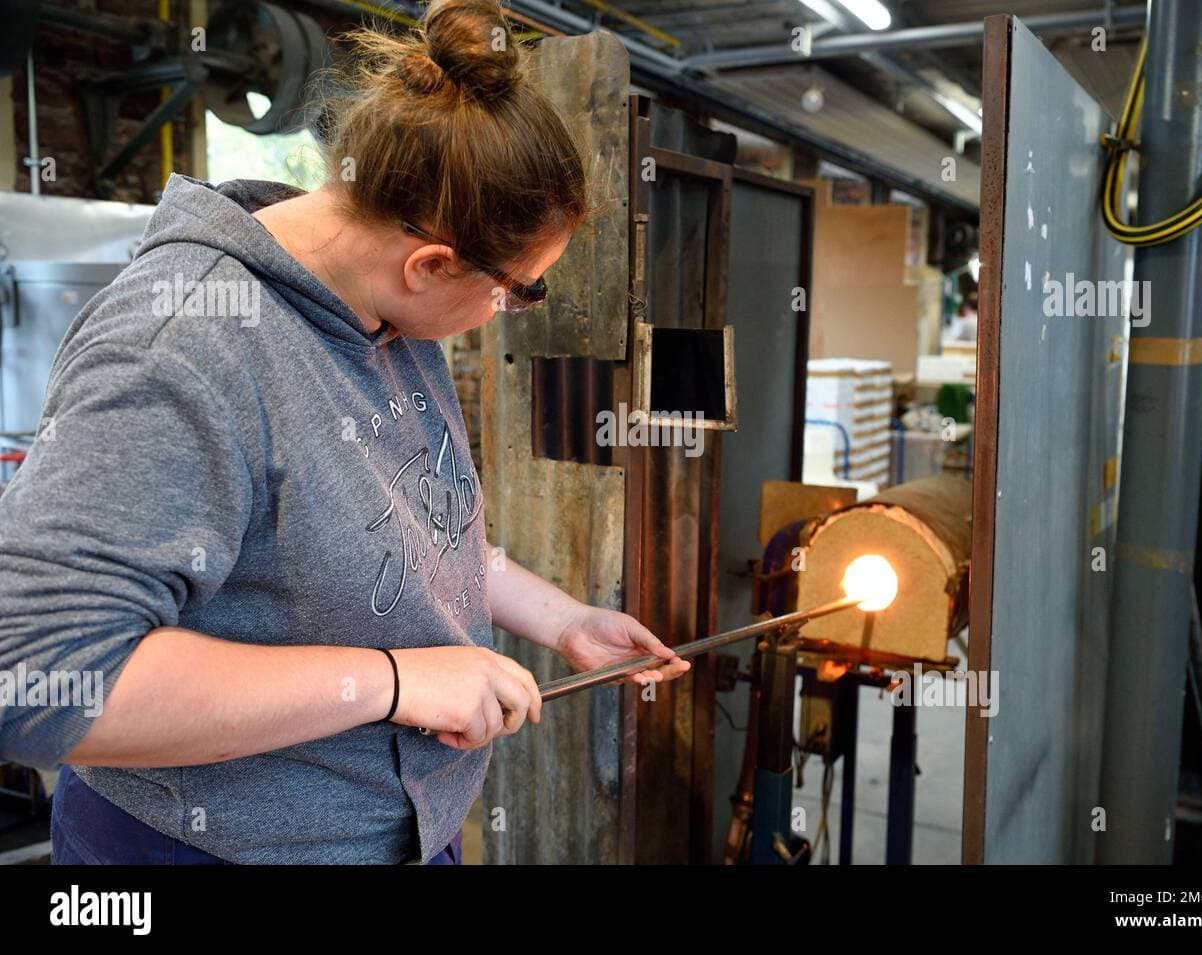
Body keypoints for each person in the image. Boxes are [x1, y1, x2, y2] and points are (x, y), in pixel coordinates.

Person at [0, 0, 688, 865]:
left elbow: (410, 532)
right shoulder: (179, 345)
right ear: (431, 263)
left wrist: (566, 620)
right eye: (516, 290)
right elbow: (38, 682)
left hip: (393, 829)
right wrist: (396, 680)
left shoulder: (382, 311)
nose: (500, 314)